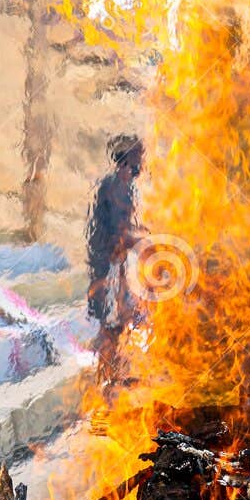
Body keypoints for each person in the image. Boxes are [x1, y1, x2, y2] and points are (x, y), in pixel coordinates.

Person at [86, 134, 144, 345]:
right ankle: (105, 347)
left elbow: (126, 225)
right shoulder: (111, 187)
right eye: (135, 162)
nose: (137, 168)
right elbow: (114, 229)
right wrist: (136, 240)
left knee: (123, 304)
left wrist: (139, 232)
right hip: (104, 255)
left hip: (117, 256)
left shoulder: (128, 188)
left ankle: (117, 344)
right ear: (124, 162)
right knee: (107, 313)